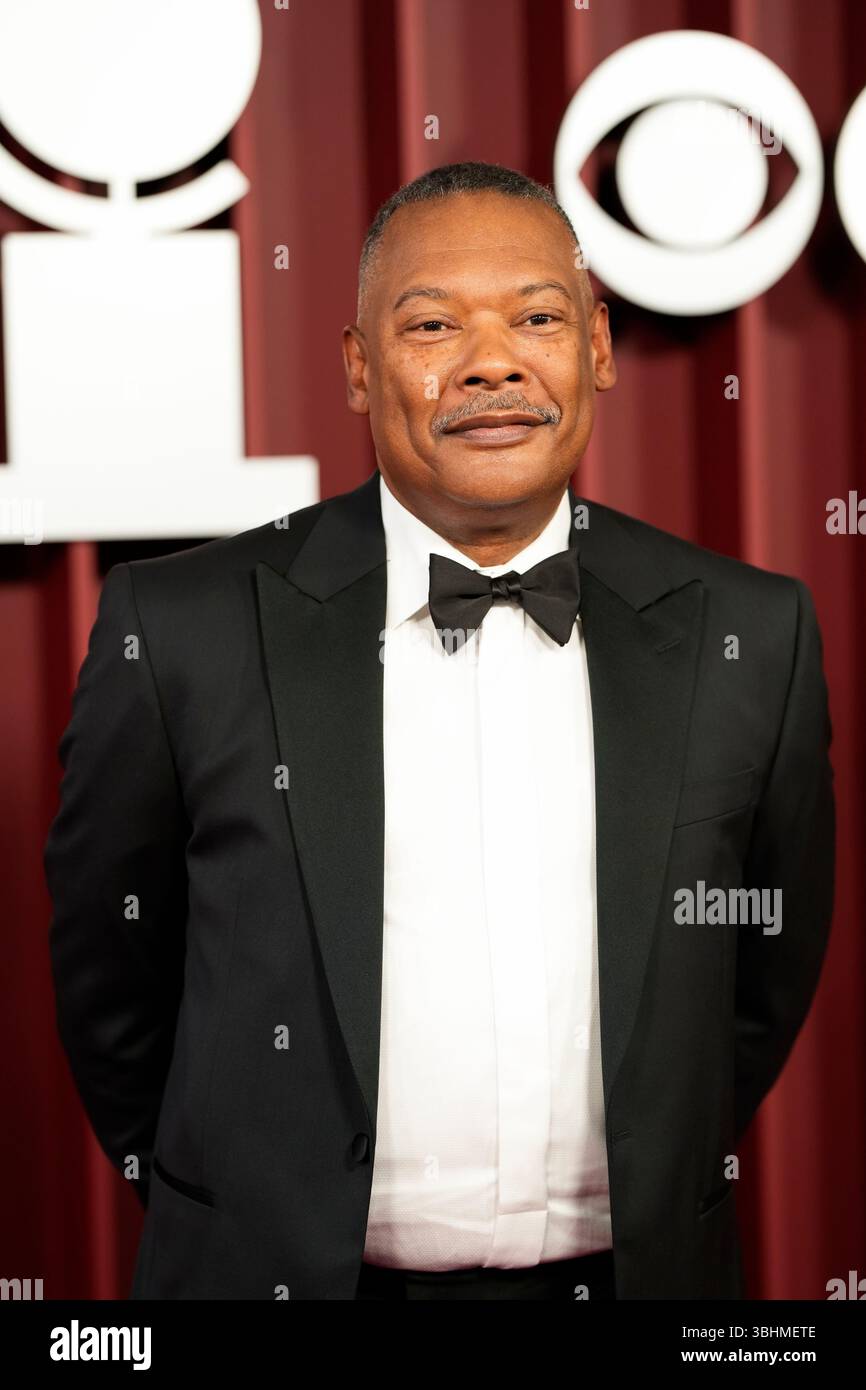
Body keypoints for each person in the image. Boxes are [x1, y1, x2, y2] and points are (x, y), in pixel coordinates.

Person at [44, 162, 835, 1301]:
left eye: (536, 317)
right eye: (431, 324)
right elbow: (110, 985)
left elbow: (761, 980)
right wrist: (245, 1195)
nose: (493, 360)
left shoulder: (753, 633)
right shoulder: (178, 629)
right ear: (361, 369)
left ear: (597, 348)